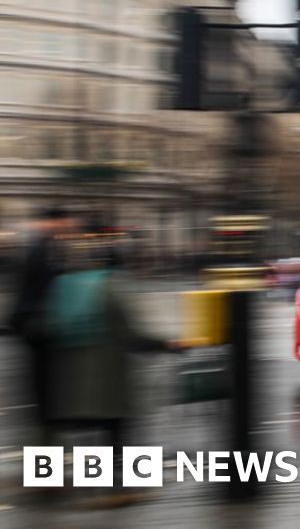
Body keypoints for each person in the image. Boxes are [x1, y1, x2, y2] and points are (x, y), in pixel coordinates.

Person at [44, 229, 179, 502]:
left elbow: (51, 325)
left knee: (94, 430)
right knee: (118, 429)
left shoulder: (69, 283)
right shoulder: (115, 285)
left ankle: (95, 485)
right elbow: (132, 333)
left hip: (75, 376)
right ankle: (120, 488)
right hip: (109, 375)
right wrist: (167, 344)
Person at [6, 206, 75, 444]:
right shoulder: (41, 250)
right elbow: (41, 290)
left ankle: (46, 430)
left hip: (36, 327)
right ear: (51, 222)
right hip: (39, 329)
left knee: (44, 386)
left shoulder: (45, 248)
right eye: (64, 222)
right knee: (43, 386)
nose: (69, 227)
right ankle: (45, 440)